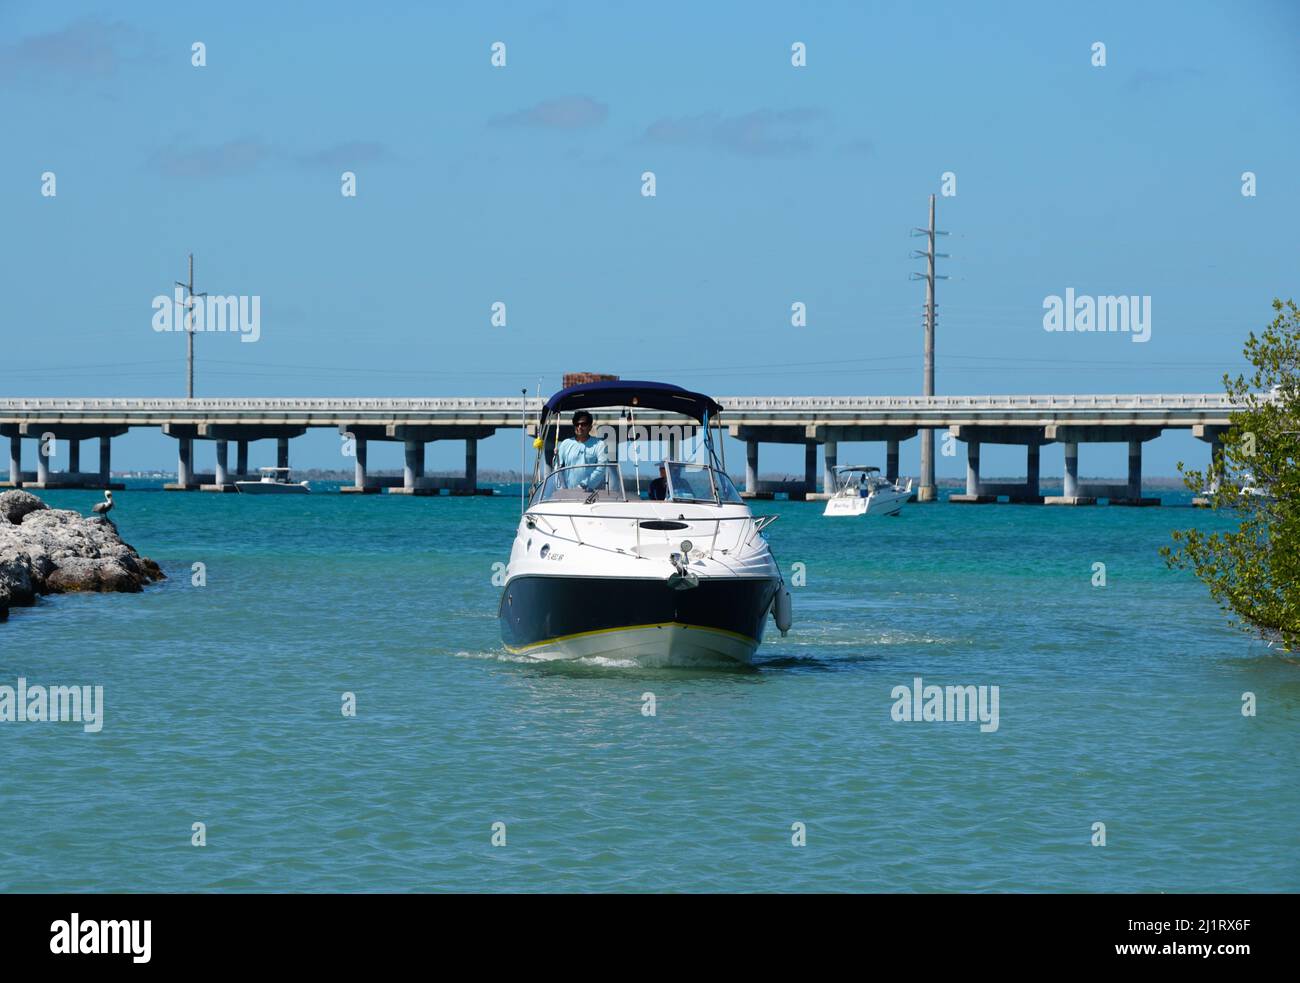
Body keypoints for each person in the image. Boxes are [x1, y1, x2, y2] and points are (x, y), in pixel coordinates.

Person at [555, 410, 609, 490]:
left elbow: (601, 468)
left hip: (593, 496)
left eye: (583, 424)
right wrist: (561, 490)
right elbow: (557, 469)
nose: (579, 427)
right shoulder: (565, 444)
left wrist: (583, 485)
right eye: (577, 424)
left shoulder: (600, 444)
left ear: (590, 427)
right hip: (567, 496)